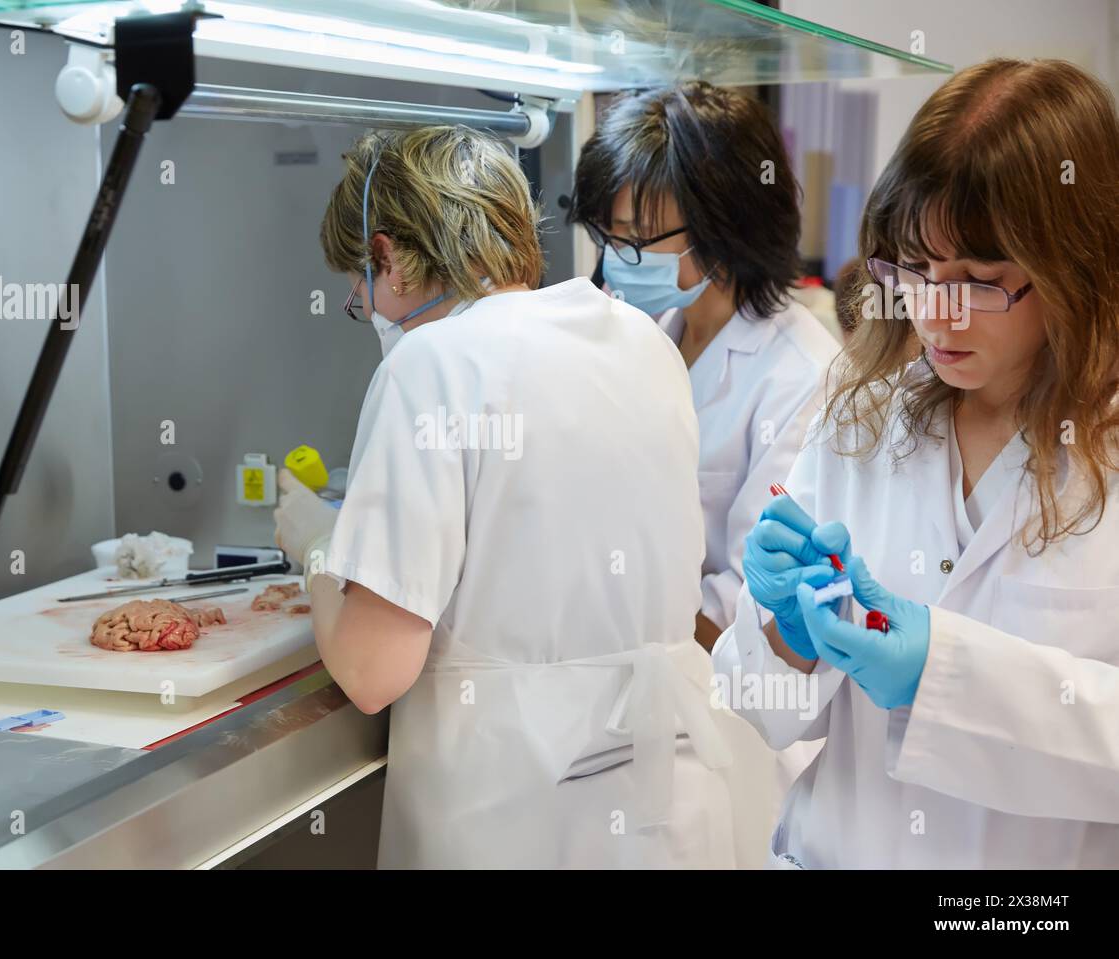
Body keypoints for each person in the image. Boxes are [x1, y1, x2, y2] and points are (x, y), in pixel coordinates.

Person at [274, 125, 764, 868]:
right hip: (669, 811)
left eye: (359, 287)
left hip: (514, 819)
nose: (365, 307)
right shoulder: (641, 341)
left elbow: (374, 671)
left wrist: (316, 547)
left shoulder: (429, 366)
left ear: (387, 255)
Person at [714, 58, 1119, 868]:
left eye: (978, 281)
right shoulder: (866, 415)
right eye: (916, 272)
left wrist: (944, 675)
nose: (934, 314)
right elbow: (762, 714)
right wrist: (786, 638)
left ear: (1075, 269)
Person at [567, 83, 840, 653]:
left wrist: (601, 586)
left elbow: (750, 608)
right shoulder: (653, 329)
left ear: (724, 229)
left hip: (726, 702)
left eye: (639, 239)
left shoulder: (803, 379)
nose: (618, 258)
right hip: (637, 663)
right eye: (610, 236)